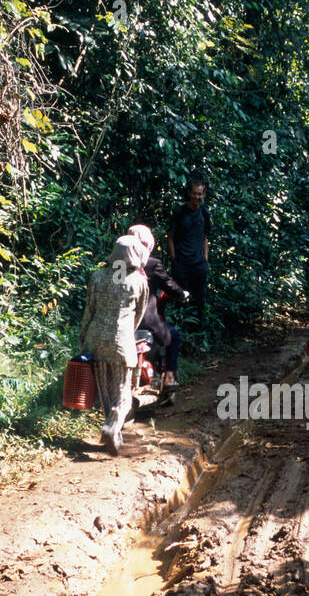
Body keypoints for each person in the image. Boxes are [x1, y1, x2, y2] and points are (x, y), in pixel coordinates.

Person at [78, 225, 155, 454]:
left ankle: (113, 430)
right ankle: (112, 427)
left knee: (105, 389)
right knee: (123, 394)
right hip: (121, 341)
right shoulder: (139, 282)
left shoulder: (98, 276)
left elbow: (89, 310)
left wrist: (84, 338)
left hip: (95, 339)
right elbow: (138, 316)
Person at [141, 242, 190, 392]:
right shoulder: (150, 264)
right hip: (145, 321)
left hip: (122, 321)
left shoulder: (117, 265)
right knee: (174, 336)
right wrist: (182, 294)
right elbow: (167, 284)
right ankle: (169, 378)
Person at [167, 171, 210, 330]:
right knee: (181, 299)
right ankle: (182, 335)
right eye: (194, 193)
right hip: (182, 265)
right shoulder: (179, 212)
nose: (197, 197)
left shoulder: (204, 213)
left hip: (199, 265)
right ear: (189, 193)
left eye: (200, 194)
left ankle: (198, 335)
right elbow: (170, 237)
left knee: (199, 301)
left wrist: (205, 260)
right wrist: (174, 261)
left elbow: (205, 238)